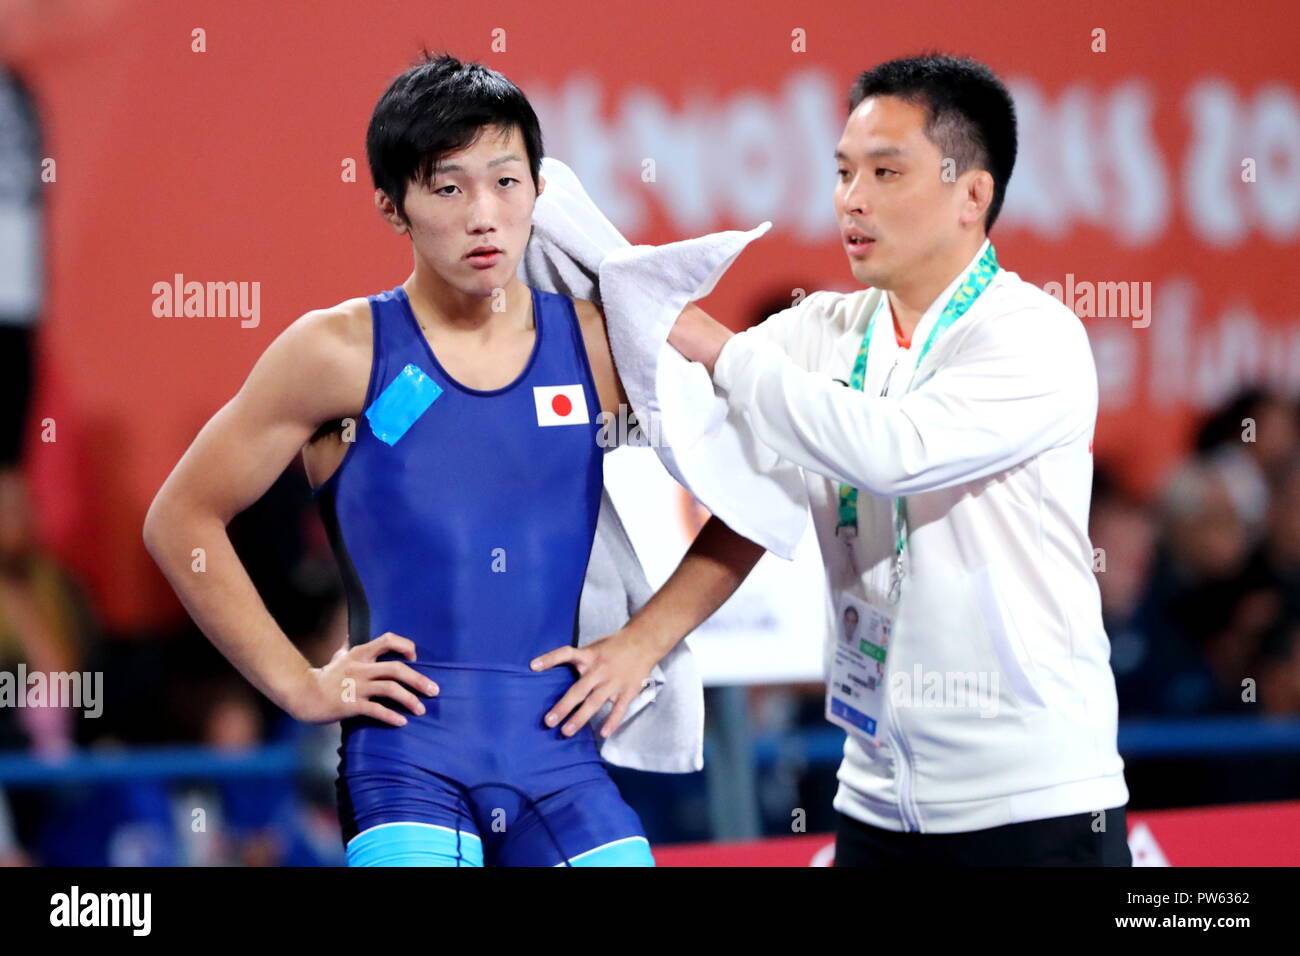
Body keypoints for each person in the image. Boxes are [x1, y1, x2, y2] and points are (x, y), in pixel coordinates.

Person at [143, 52, 765, 867]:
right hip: (406, 767)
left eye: (506, 182)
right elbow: (179, 518)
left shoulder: (595, 347)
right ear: (391, 206)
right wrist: (297, 683)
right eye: (448, 187)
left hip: (562, 764)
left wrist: (643, 642)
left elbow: (766, 475)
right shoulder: (337, 354)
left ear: (539, 191)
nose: (483, 215)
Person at [553, 53, 1132, 865]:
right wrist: (642, 641)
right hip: (872, 800)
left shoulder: (1033, 336)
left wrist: (710, 341)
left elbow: (893, 450)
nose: (851, 199)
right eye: (842, 172)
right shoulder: (820, 332)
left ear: (973, 194)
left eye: (886, 172)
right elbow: (728, 468)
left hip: (1032, 806)